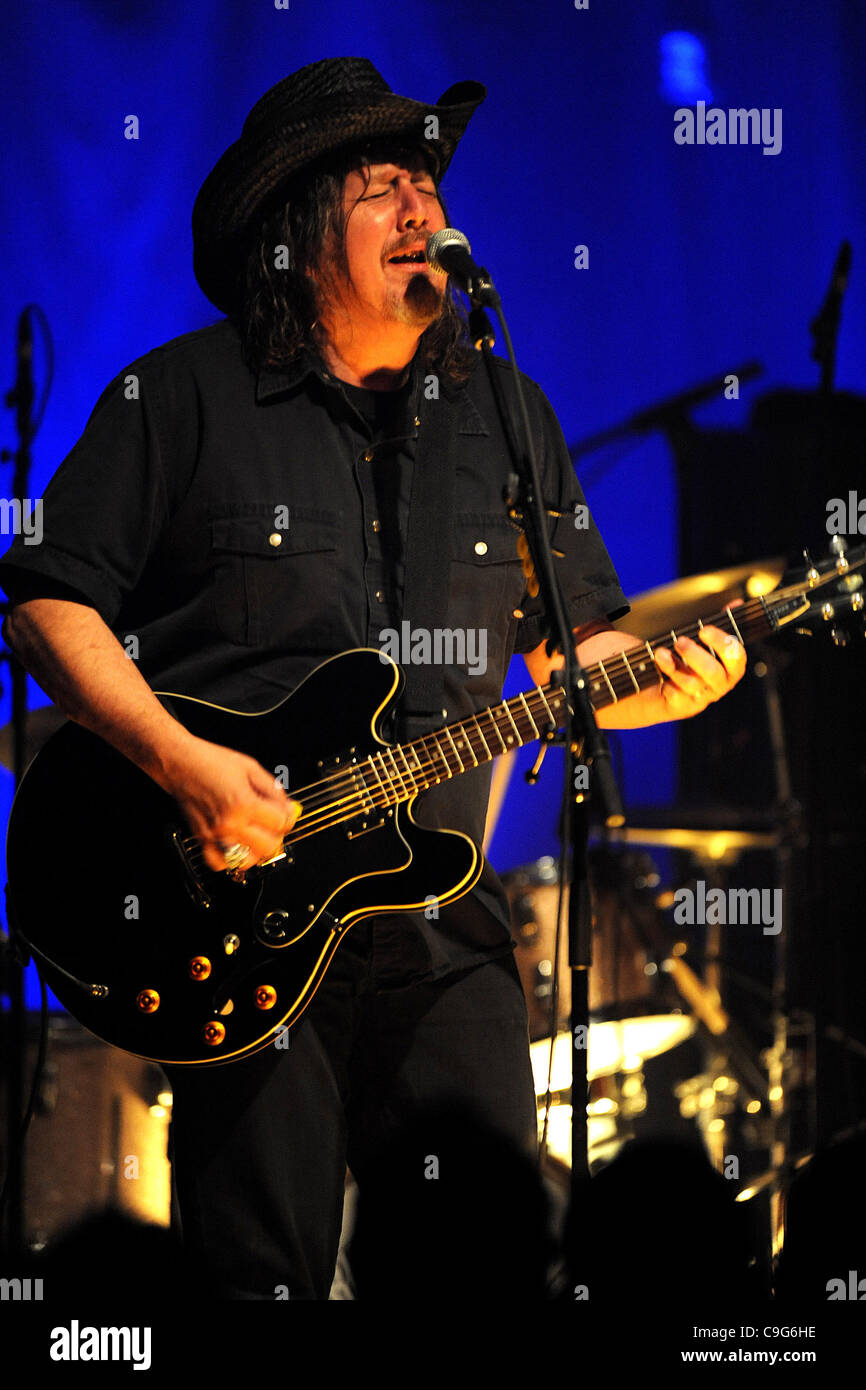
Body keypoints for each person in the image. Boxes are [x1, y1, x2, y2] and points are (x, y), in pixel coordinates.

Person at [0, 57, 746, 1299]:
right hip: (235, 927)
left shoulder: (503, 411)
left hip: (444, 929)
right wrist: (185, 766)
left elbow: (576, 652)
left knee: (479, 1270)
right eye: (382, 185)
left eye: (426, 181)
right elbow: (43, 603)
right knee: (261, 1273)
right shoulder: (184, 397)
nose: (423, 208)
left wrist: (673, 679)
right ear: (297, 227)